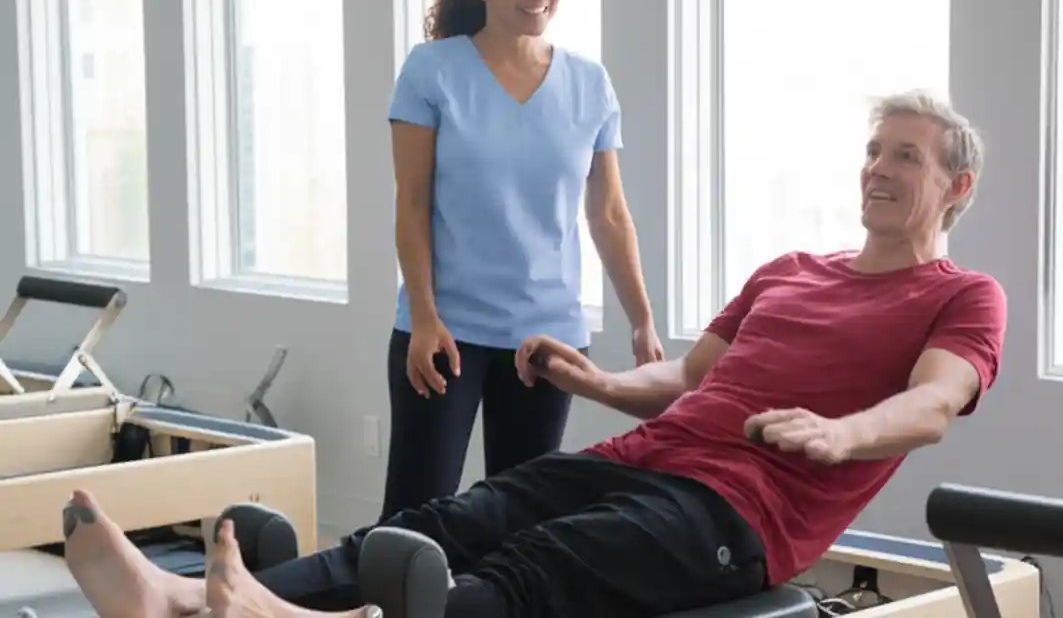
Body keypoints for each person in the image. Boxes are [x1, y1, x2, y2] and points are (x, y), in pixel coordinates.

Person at [60, 91, 1007, 618]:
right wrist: (593, 381)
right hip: (641, 463)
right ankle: (188, 602)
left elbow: (929, 405)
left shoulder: (964, 296)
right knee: (439, 522)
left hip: (740, 512)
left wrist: (841, 434)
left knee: (537, 568)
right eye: (875, 148)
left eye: (907, 157)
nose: (878, 167)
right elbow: (683, 380)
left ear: (955, 186)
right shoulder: (789, 268)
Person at [381, 0, 663, 520]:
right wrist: (424, 317)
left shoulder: (589, 82)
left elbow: (609, 213)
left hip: (546, 338)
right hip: (446, 332)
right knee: (416, 517)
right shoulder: (432, 70)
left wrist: (641, 320)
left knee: (520, 522)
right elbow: (411, 202)